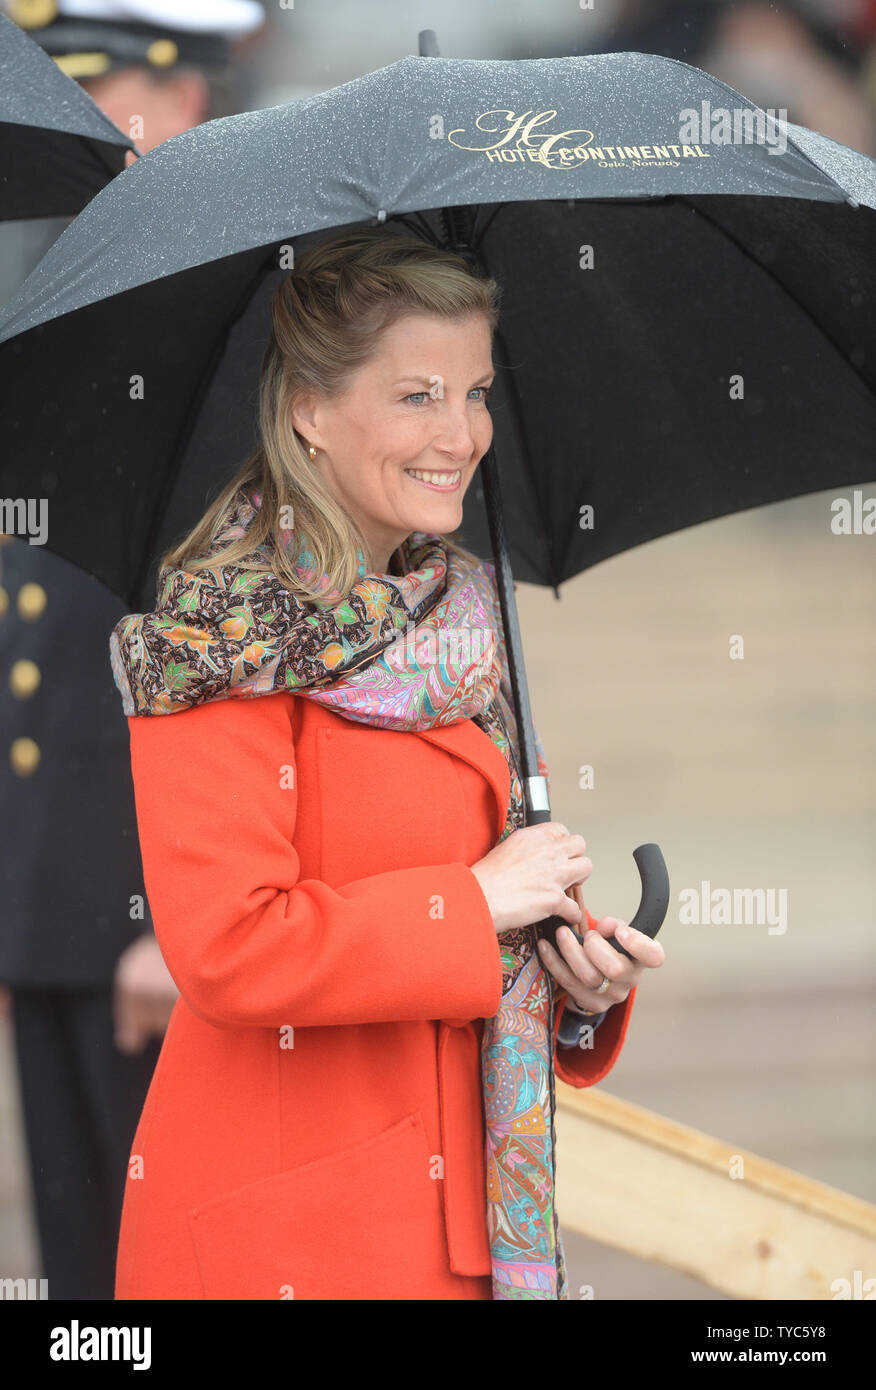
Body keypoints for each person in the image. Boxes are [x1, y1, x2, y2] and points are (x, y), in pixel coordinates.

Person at [109, 225, 666, 1300]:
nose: (460, 433)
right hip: (288, 1235)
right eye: (417, 395)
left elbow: (499, 907)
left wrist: (576, 972)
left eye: (476, 392)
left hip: (454, 1229)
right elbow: (229, 948)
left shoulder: (464, 621)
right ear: (311, 410)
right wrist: (471, 902)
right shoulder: (218, 637)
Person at [0, 0, 264, 1300]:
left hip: (157, 918)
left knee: (162, 1273)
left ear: (193, 96)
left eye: (111, 92)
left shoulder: (239, 326)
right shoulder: (62, 300)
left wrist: (176, 923)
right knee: (76, 1277)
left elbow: (228, 655)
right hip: (49, 903)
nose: (95, 132)